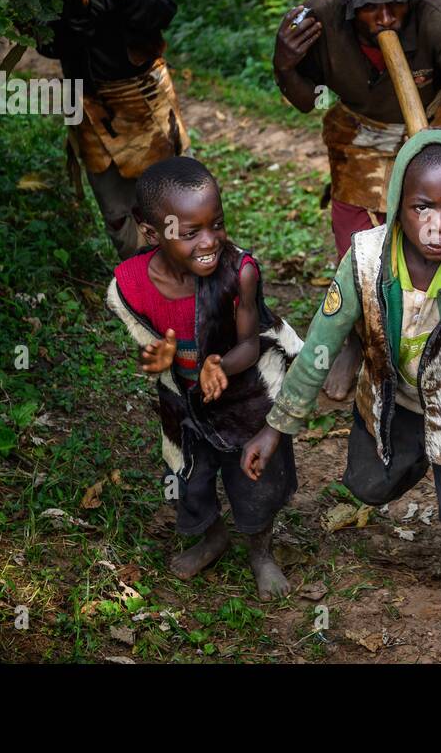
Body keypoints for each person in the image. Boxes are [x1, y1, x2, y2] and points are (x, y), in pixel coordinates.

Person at [243, 131, 441, 622]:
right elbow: (320, 345)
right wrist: (277, 424)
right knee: (366, 484)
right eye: (422, 207)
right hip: (393, 399)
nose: (440, 225)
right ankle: (417, 455)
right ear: (397, 204)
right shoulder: (365, 258)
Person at [272, 0, 441, 399]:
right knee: (358, 240)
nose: (386, 18)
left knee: (437, 233)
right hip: (359, 130)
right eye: (371, 9)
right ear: (348, 8)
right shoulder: (317, 16)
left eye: (395, 3)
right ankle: (356, 335)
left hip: (433, 124)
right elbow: (303, 100)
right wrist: (284, 63)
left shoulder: (431, 13)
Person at [105, 157, 304, 594]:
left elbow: (250, 343)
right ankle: (213, 536)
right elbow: (148, 345)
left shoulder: (240, 273)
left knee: (253, 477)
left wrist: (220, 365)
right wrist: (157, 360)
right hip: (185, 402)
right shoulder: (129, 286)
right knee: (189, 478)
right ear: (151, 232)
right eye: (190, 233)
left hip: (243, 394)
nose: (209, 242)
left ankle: (260, 550)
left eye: (217, 224)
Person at [33, 0, 187, 260]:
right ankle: (145, 292)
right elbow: (44, 41)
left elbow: (164, 9)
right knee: (119, 213)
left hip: (145, 95)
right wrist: (77, 15)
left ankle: (195, 282)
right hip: (89, 101)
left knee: (176, 202)